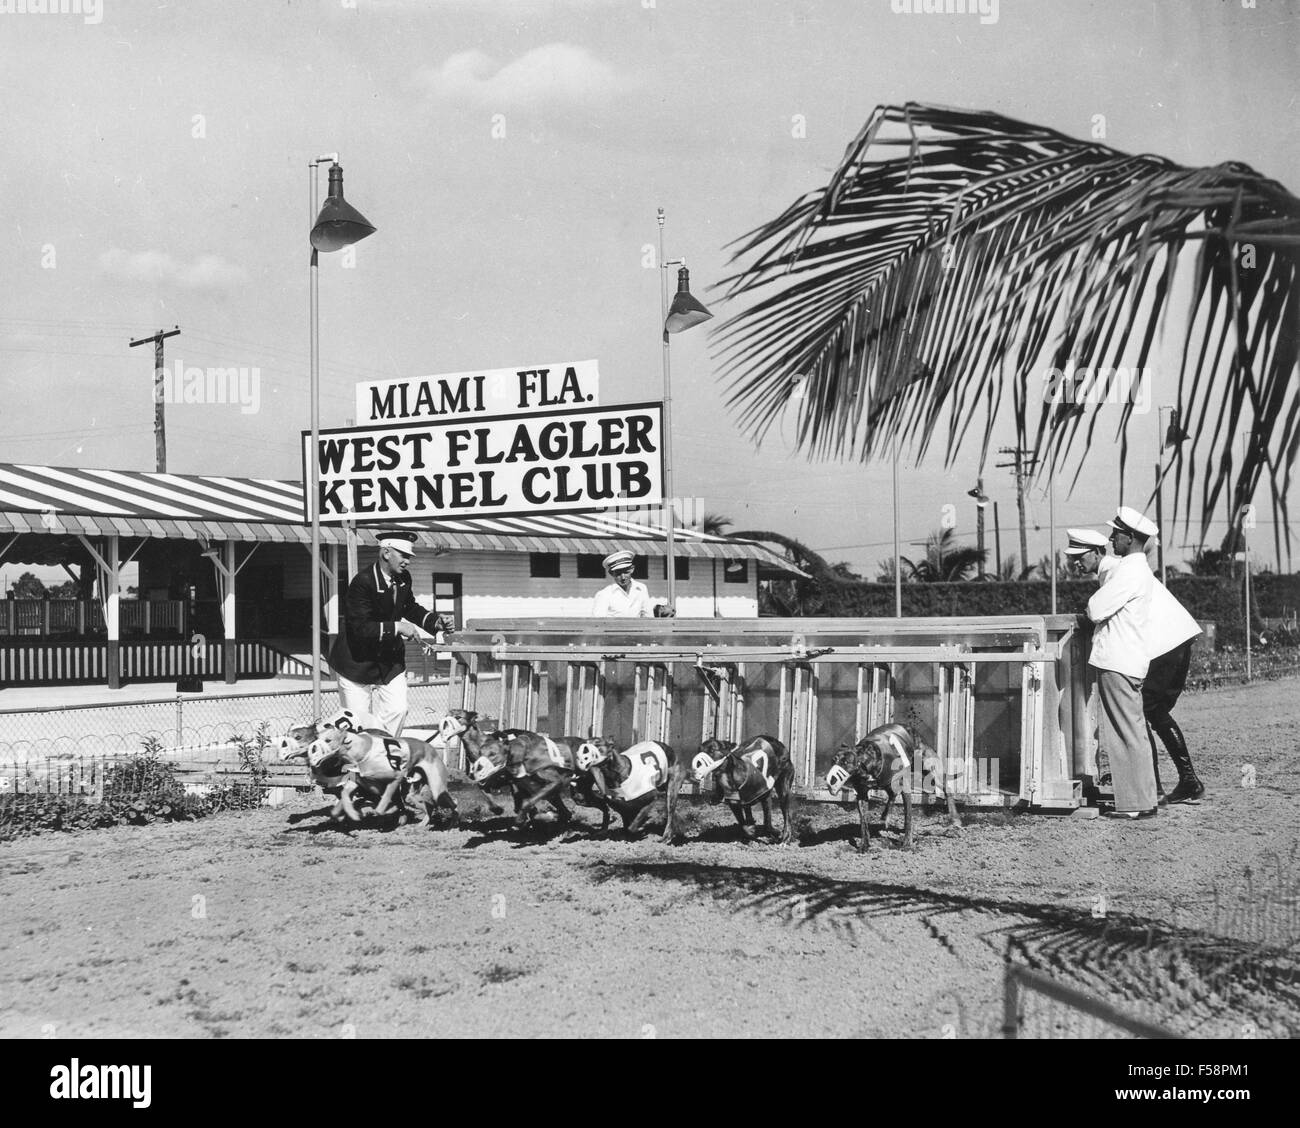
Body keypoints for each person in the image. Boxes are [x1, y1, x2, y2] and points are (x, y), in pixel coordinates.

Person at [1066, 525, 1205, 806]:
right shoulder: (1119, 568)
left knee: (1141, 714)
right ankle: (1178, 782)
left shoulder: (1118, 571)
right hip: (1175, 640)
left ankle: (1159, 787)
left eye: (1080, 557)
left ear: (1096, 553)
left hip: (1166, 643)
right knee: (1152, 712)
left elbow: (1098, 611)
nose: (1076, 564)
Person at [327, 532, 451, 735]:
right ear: (386, 553)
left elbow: (409, 607)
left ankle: (383, 754)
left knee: (398, 710)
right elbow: (360, 628)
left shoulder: (403, 578)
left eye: (409, 556)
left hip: (389, 661)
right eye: (403, 555)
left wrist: (435, 621)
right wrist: (398, 627)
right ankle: (359, 763)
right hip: (355, 663)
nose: (407, 561)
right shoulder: (362, 582)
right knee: (357, 724)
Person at [1082, 507, 1158, 820]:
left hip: (1118, 661)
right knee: (1133, 731)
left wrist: (1092, 606)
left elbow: (1095, 608)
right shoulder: (1140, 569)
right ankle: (1143, 800)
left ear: (1130, 537)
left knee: (1123, 733)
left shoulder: (1128, 570)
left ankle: (1135, 805)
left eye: (1116, 534)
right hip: (1128, 660)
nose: (1112, 539)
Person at [591, 550, 653, 617]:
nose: (623, 577)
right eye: (618, 573)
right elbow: (598, 623)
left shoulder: (641, 588)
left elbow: (648, 615)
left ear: (632, 569)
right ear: (611, 574)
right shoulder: (604, 594)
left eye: (626, 572)